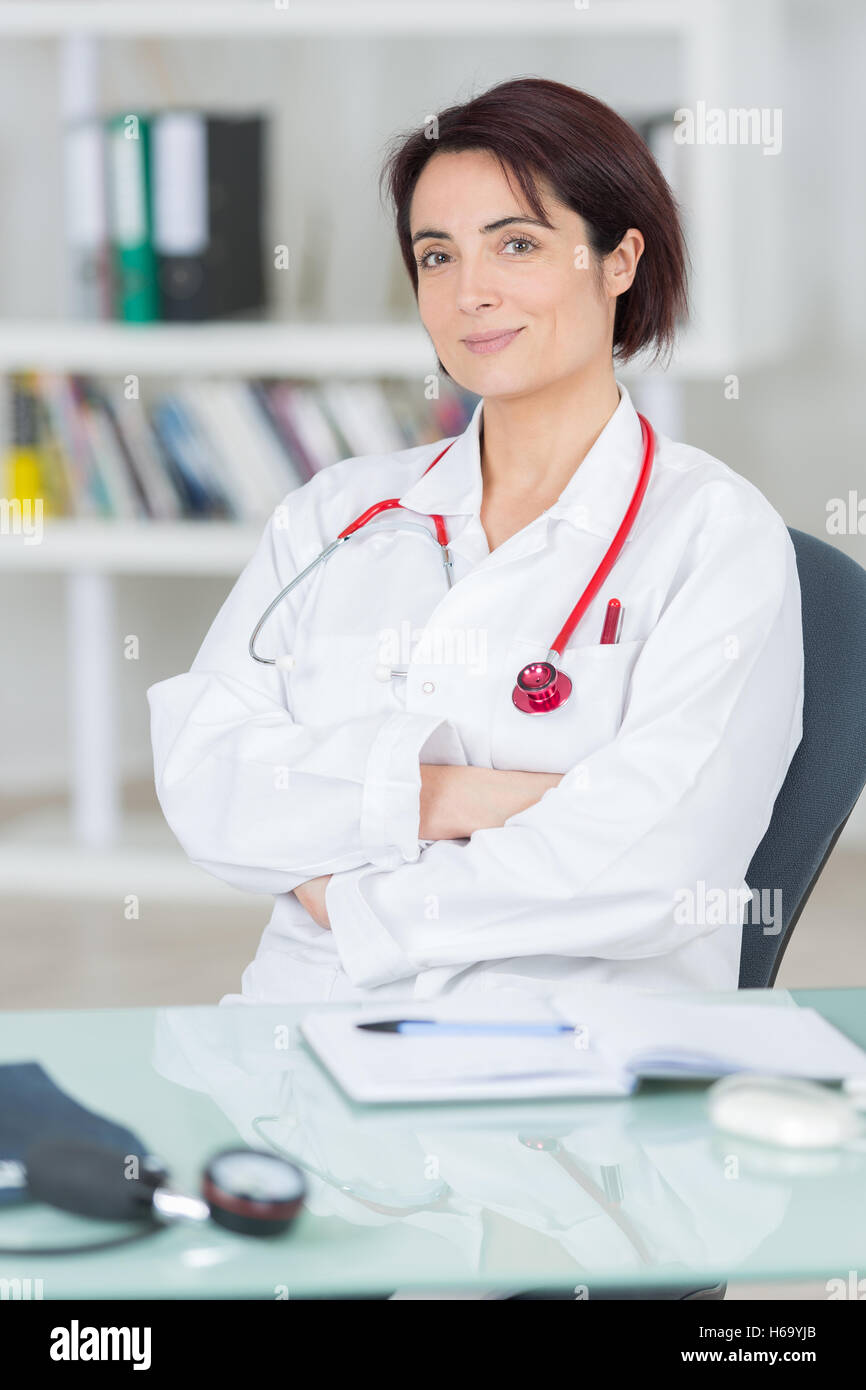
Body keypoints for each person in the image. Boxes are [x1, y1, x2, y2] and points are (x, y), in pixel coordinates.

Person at [146, 77, 804, 1009]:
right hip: (301, 1033)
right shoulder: (337, 515)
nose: (472, 293)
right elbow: (206, 778)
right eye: (437, 255)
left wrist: (354, 893)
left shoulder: (713, 535)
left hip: (570, 1064)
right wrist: (447, 795)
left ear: (619, 260)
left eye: (518, 244)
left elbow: (658, 865)